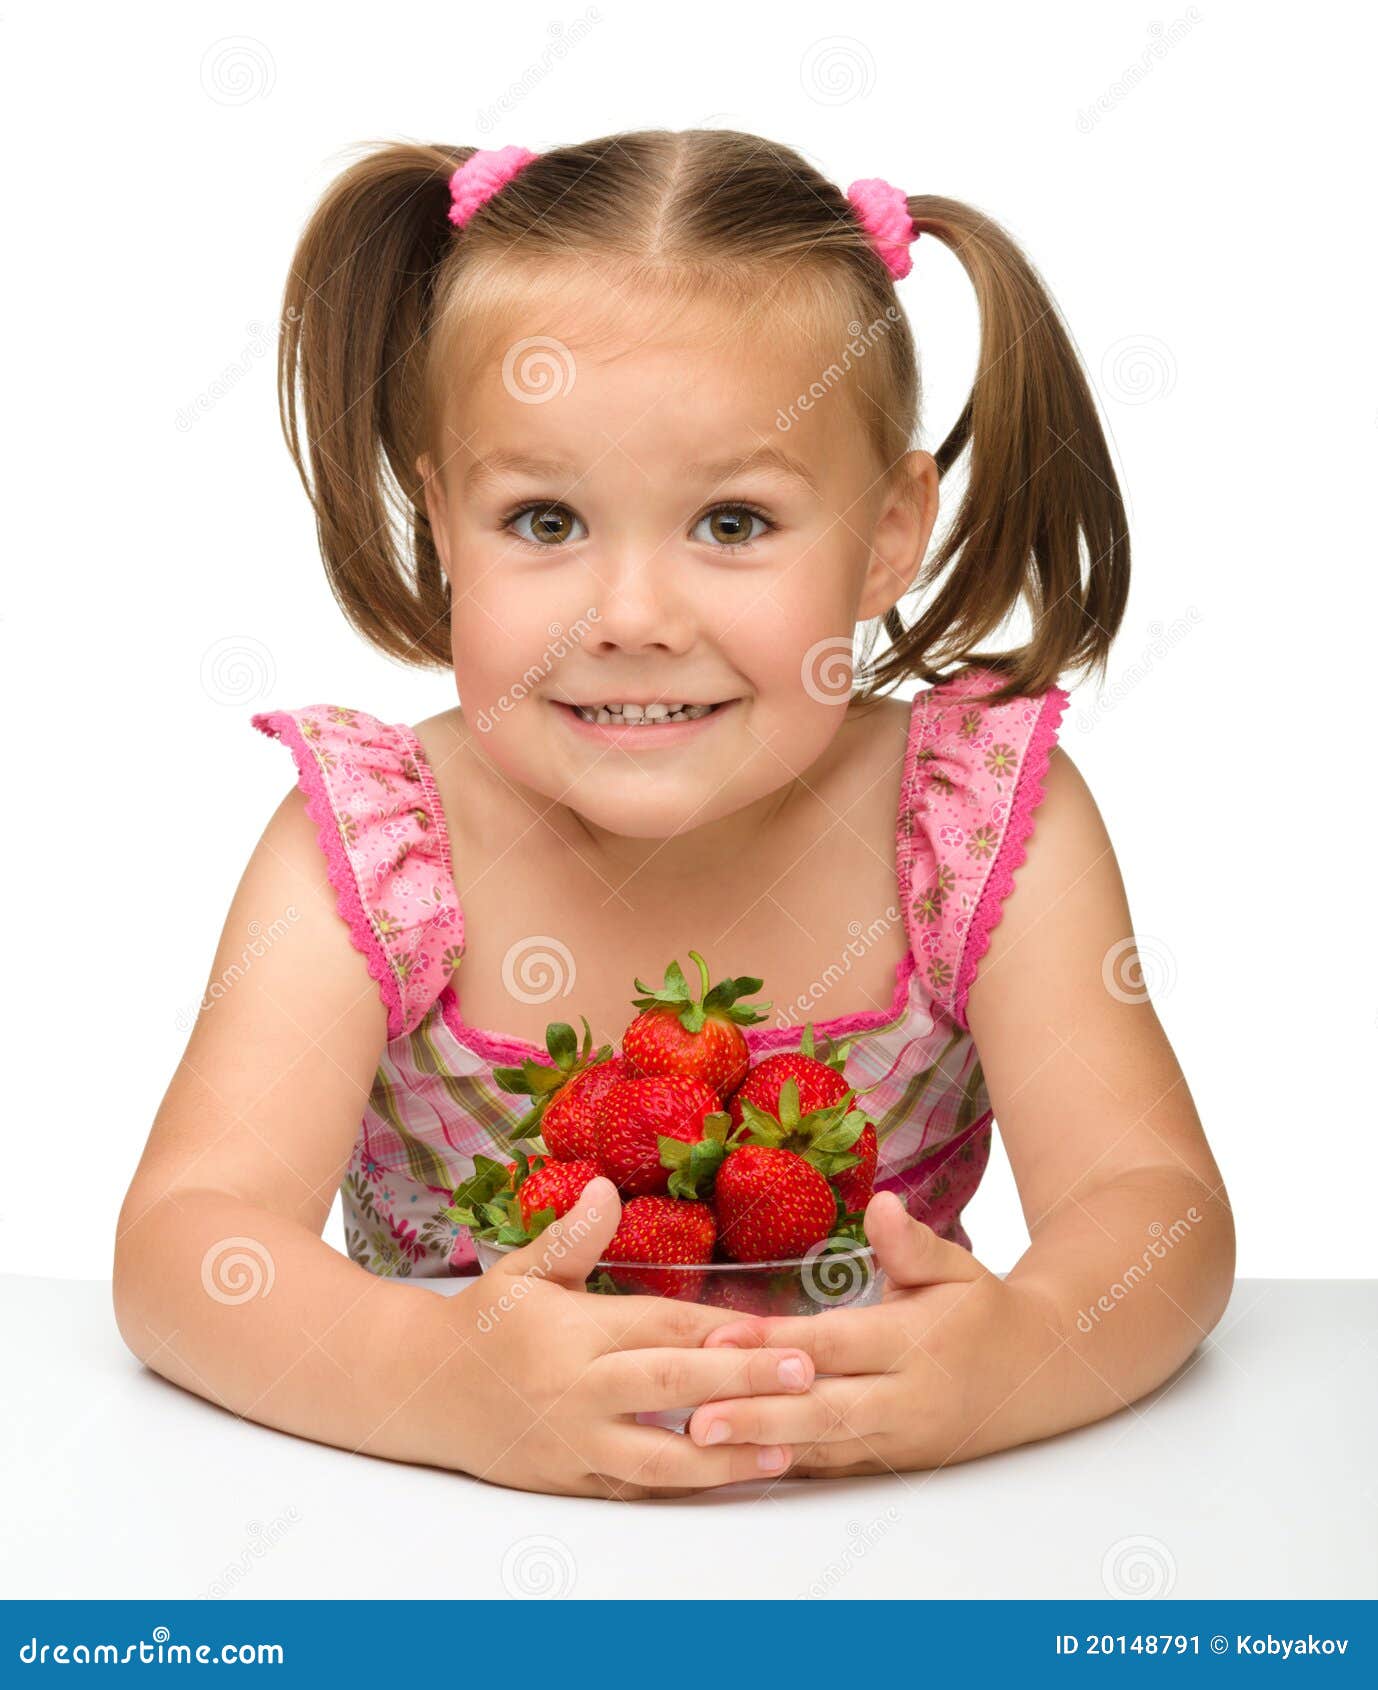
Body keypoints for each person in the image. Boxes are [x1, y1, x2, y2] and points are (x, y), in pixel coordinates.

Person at [114, 130, 1234, 1499]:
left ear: (887, 529)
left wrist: (1017, 1349)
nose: (630, 617)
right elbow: (182, 1252)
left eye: (731, 522)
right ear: (440, 521)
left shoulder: (974, 827)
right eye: (541, 520)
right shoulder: (372, 842)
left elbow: (1156, 1210)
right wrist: (433, 1377)